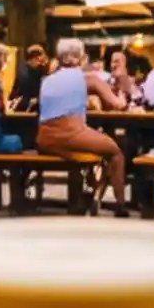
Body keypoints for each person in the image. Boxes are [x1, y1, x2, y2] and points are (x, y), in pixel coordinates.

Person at [36, 38, 130, 216]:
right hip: (71, 133)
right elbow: (117, 105)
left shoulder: (47, 80)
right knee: (115, 151)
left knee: (88, 155)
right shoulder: (89, 79)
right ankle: (120, 205)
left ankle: (87, 192)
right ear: (81, 57)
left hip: (45, 139)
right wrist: (122, 94)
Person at [9, 44, 48, 112]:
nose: (42, 63)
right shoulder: (24, 74)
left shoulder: (36, 71)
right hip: (25, 108)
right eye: (41, 61)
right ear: (35, 59)